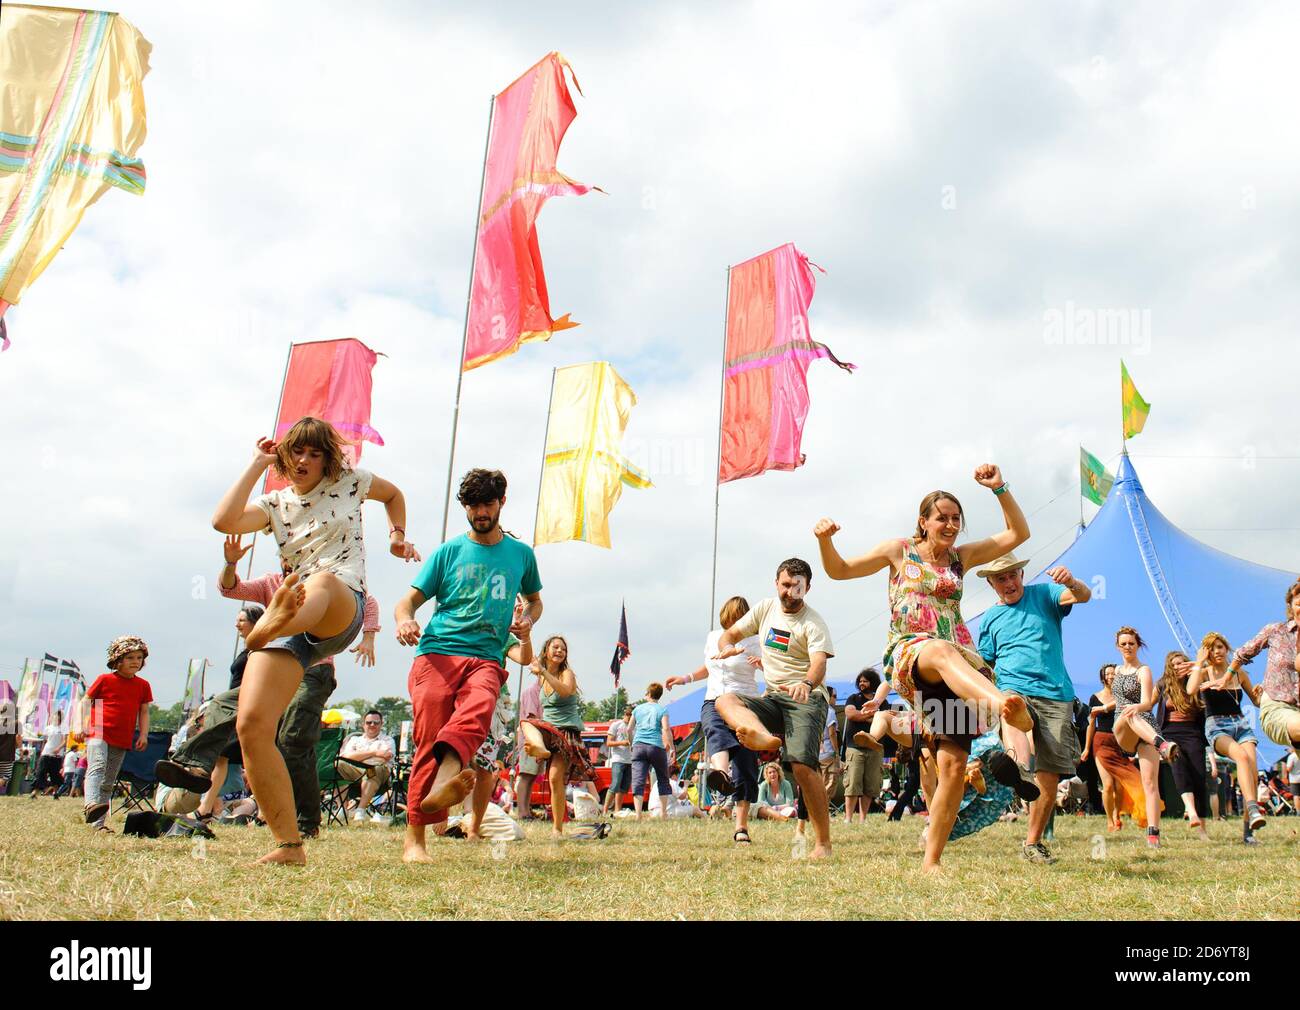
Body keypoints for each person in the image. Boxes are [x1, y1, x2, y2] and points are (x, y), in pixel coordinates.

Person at [211, 417, 419, 865]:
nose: (304, 461)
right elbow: (223, 520)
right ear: (285, 458)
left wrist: (397, 537)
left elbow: (394, 495)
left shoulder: (350, 482)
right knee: (252, 727)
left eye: (315, 453)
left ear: (328, 458)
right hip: (293, 619)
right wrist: (256, 464)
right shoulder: (275, 503)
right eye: (296, 453)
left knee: (321, 580)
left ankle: (269, 626)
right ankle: (289, 845)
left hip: (339, 607)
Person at [814, 463, 1036, 871]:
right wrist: (825, 541)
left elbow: (1018, 534)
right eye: (942, 518)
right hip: (912, 655)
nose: (951, 525)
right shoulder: (899, 551)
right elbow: (839, 570)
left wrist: (1000, 488)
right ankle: (1005, 703)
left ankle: (931, 860)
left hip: (958, 674)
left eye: (956, 519)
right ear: (924, 521)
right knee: (937, 650)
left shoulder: (961, 558)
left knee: (952, 763)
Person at [158, 533, 383, 837]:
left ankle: (305, 823)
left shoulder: (323, 580)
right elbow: (231, 588)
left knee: (293, 739)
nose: (291, 560)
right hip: (274, 667)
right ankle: (195, 765)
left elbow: (366, 600)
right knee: (223, 703)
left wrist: (368, 636)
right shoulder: (270, 583)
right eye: (287, 555)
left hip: (313, 671)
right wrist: (230, 562)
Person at [394, 468, 542, 862]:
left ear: (501, 504)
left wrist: (528, 619)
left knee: (478, 711)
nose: (480, 512)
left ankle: (446, 778)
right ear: (465, 508)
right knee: (427, 741)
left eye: (487, 504)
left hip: (487, 656)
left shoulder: (521, 554)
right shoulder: (447, 552)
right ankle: (415, 841)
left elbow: (535, 600)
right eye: (473, 505)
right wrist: (404, 620)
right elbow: (406, 602)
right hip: (437, 652)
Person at [713, 558, 836, 859]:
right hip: (772, 698)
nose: (790, 591)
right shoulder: (765, 608)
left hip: (805, 698)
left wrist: (806, 684)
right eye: (785, 584)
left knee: (803, 767)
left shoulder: (813, 622)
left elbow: (819, 663)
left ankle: (823, 844)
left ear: (807, 587)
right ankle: (762, 736)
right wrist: (726, 646)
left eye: (797, 586)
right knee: (725, 700)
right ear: (776, 583)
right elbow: (729, 634)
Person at [975, 552, 1091, 865]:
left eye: (1013, 575)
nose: (1009, 582)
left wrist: (1072, 581)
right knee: (1012, 705)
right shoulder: (990, 619)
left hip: (1056, 694)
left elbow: (1083, 596)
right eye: (1001, 578)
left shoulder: (1045, 594)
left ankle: (1033, 842)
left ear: (1022, 576)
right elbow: (985, 664)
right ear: (991, 583)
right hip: (1013, 687)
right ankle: (1019, 767)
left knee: (1050, 776)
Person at [156, 602, 266, 830]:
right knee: (225, 757)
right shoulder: (249, 648)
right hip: (237, 708)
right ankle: (205, 801)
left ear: (255, 623)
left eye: (242, 620)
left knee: (250, 758)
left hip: (245, 707)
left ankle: (191, 766)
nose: (237, 623)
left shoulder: (261, 647)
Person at [665, 595, 763, 844]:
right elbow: (708, 667)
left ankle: (741, 827)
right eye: (728, 622)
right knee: (712, 727)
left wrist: (762, 664)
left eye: (736, 622)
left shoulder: (756, 639)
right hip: (715, 698)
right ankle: (721, 773)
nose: (731, 628)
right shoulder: (713, 637)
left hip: (745, 702)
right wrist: (684, 678)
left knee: (746, 763)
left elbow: (772, 667)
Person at [1185, 632, 1268, 843]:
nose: (1217, 651)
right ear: (1207, 652)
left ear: (1227, 649)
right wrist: (1199, 661)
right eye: (1211, 648)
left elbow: (1257, 702)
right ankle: (1253, 807)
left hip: (1241, 724)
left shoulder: (1238, 673)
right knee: (1241, 756)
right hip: (1217, 726)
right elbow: (1190, 689)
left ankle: (1248, 833)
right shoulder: (1204, 673)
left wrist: (1261, 692)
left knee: (1252, 770)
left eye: (1220, 647)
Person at [76, 636, 153, 831]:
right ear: (117, 660)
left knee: (109, 780)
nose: (136, 661)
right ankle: (90, 804)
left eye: (139, 658)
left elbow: (143, 711)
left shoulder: (143, 685)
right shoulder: (105, 679)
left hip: (123, 736)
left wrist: (143, 734)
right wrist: (79, 725)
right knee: (98, 766)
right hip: (99, 730)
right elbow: (85, 701)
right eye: (130, 658)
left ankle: (98, 824)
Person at [466, 625, 534, 840]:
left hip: (492, 704)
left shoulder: (503, 634)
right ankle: (445, 816)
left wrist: (525, 636)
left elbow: (523, 657)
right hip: (461, 697)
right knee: (454, 758)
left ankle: (474, 828)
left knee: (486, 766)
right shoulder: (460, 626)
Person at [1111, 627, 1176, 848]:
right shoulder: (1118, 670)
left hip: (1145, 725)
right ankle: (1162, 744)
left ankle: (1153, 835)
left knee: (1150, 783)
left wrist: (1135, 707)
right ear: (1117, 647)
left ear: (1138, 645)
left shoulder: (1144, 670)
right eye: (1124, 643)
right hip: (1123, 725)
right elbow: (1118, 701)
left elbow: (1148, 702)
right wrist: (1102, 707)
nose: (1128, 647)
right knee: (1129, 712)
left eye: (1131, 643)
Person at [1231, 579, 1300, 749]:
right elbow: (1242, 653)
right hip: (1277, 708)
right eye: (1299, 604)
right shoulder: (1277, 631)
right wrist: (1228, 674)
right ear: (1290, 606)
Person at [1081, 664, 1147, 830]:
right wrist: (1087, 748)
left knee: (1119, 785)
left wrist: (1132, 747)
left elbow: (1133, 721)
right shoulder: (1094, 698)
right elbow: (1091, 725)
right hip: (1101, 742)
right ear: (1103, 677)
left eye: (1113, 674)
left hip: (1120, 742)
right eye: (1108, 674)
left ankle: (1117, 815)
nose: (1111, 676)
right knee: (1108, 785)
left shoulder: (1124, 697)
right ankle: (1110, 820)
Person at [1156, 651, 1210, 839]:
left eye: (1182, 663)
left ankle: (1202, 828)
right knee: (1179, 768)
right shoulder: (1163, 685)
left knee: (1199, 777)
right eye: (1175, 664)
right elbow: (1147, 704)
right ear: (1169, 667)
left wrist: (1197, 666)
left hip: (1193, 732)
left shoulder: (1196, 682)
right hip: (1171, 732)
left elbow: (1210, 672)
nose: (1179, 666)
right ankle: (1191, 810)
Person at [842, 669, 886, 823]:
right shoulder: (853, 698)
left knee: (870, 785)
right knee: (852, 783)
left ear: (873, 682)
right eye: (860, 681)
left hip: (874, 747)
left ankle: (863, 818)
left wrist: (863, 715)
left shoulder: (882, 701)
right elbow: (851, 715)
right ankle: (848, 819)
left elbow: (885, 720)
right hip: (855, 747)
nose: (862, 683)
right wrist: (872, 715)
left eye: (865, 681)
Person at [627, 682, 675, 821]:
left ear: (648, 694)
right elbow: (666, 729)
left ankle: (638, 814)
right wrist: (671, 747)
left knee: (638, 779)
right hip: (656, 746)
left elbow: (629, 729)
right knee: (662, 779)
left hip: (639, 746)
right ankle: (664, 813)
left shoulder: (637, 710)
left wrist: (631, 743)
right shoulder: (662, 710)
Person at [339, 710, 396, 821]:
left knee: (373, 769)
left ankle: (360, 810)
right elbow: (345, 757)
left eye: (376, 722)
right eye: (369, 722)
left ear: (381, 724)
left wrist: (357, 756)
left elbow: (384, 758)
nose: (372, 725)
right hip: (355, 774)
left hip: (379, 776)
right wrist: (374, 753)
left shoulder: (388, 740)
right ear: (363, 724)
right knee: (338, 765)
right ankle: (342, 808)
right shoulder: (354, 739)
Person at [513, 674, 544, 820]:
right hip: (530, 739)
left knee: (531, 777)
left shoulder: (543, 691)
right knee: (525, 776)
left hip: (538, 739)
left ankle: (526, 809)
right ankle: (522, 811)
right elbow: (532, 718)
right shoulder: (532, 691)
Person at [601, 704, 634, 816]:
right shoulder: (616, 725)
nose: (630, 719)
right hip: (618, 759)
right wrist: (621, 743)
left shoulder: (635, 726)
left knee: (624, 787)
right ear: (626, 715)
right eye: (629, 716)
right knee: (615, 784)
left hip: (630, 760)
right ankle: (605, 810)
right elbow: (609, 743)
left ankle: (617, 810)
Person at [30, 709, 68, 796]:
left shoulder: (63, 728)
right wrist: (42, 751)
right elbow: (45, 740)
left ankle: (55, 792)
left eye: (58, 716)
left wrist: (58, 748)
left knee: (54, 774)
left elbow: (64, 741)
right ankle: (34, 792)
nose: (56, 718)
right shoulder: (48, 728)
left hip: (56, 755)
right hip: (46, 753)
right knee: (40, 772)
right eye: (55, 716)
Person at [819, 686, 841, 802]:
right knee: (831, 781)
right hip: (828, 751)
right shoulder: (830, 711)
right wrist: (836, 752)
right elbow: (832, 733)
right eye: (834, 696)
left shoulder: (817, 709)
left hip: (818, 751)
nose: (835, 699)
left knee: (821, 781)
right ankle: (822, 807)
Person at [0, 698, 20, 794]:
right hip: (7, 756)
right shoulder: (16, 724)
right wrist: (17, 747)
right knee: (5, 776)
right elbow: (18, 740)